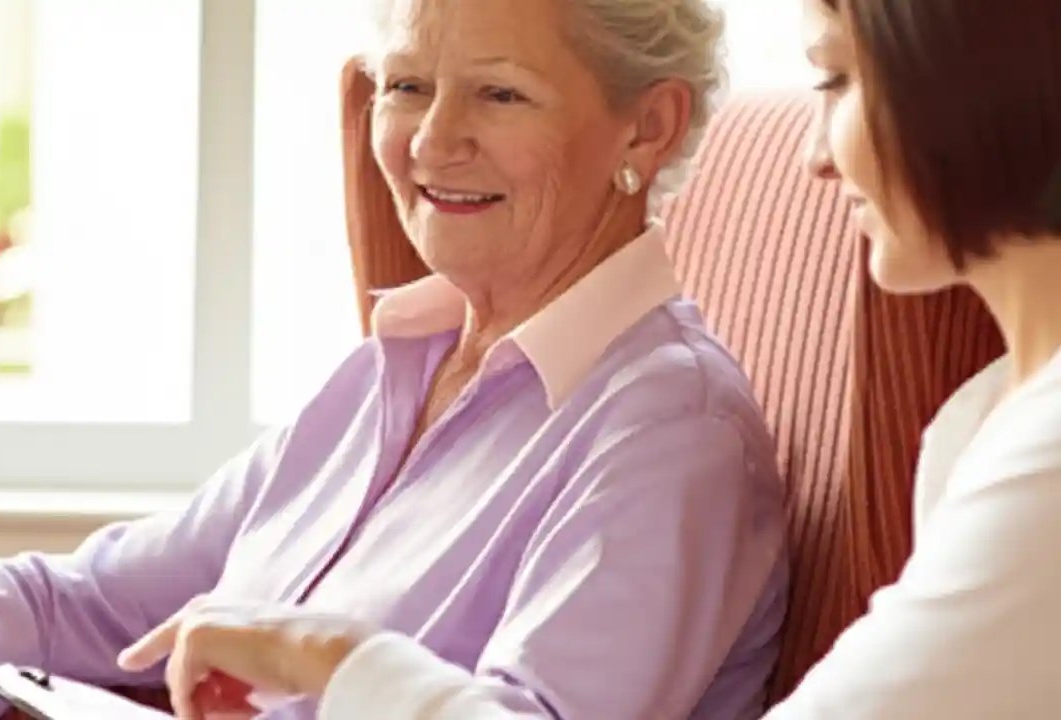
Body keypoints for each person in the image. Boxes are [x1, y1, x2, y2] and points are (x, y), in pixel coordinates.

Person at [0, 0, 788, 719]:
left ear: (646, 127)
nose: (431, 141)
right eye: (405, 86)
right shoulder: (390, 370)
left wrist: (314, 654)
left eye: (499, 93)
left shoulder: (668, 434)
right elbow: (76, 601)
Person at [127, 0, 1061, 717]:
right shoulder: (978, 424)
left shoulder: (1036, 459)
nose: (817, 157)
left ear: (969, 81)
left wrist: (325, 659)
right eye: (405, 85)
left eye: (839, 83)